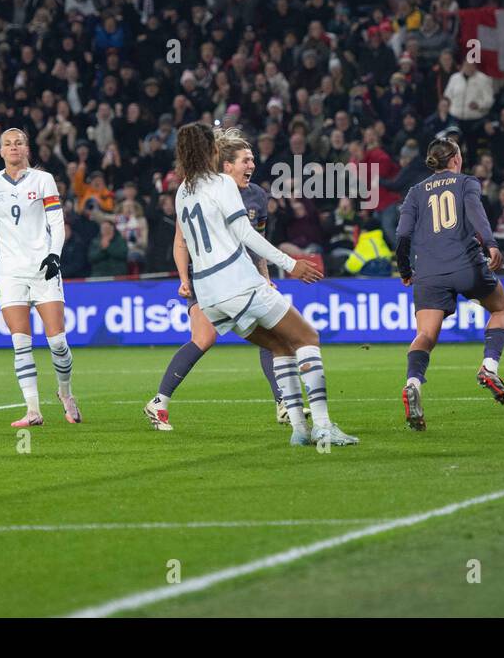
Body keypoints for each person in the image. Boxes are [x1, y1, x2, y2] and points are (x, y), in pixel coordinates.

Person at [144, 122, 357, 447]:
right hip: (238, 282)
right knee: (307, 337)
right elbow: (246, 234)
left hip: (210, 296)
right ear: (212, 151)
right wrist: (291, 265)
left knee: (279, 346)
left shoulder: (182, 193)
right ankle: (325, 426)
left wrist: (186, 279)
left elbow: (184, 241)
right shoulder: (221, 184)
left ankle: (300, 431)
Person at [149, 127, 287, 427]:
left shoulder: (257, 197)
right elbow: (181, 239)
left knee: (268, 335)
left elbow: (256, 243)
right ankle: (159, 402)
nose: (251, 166)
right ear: (226, 164)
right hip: (209, 278)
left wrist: (265, 276)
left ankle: (283, 403)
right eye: (245, 160)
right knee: (204, 338)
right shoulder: (201, 190)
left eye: (252, 160)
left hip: (242, 277)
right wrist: (184, 278)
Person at [394, 136, 504, 431]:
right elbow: (476, 214)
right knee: (501, 310)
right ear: (456, 159)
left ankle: (413, 384)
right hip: (466, 265)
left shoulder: (415, 192)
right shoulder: (466, 182)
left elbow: (403, 235)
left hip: (428, 272)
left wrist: (405, 269)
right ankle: (489, 368)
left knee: (425, 335)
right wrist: (491, 244)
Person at [0, 128, 81, 428]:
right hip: (8, 273)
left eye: (19, 143)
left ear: (27, 149)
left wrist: (55, 254)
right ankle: (33, 410)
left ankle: (65, 393)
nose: (13, 147)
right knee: (21, 342)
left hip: (43, 269)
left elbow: (57, 222)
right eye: (8, 144)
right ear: (0, 151)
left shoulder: (43, 180)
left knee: (57, 341)